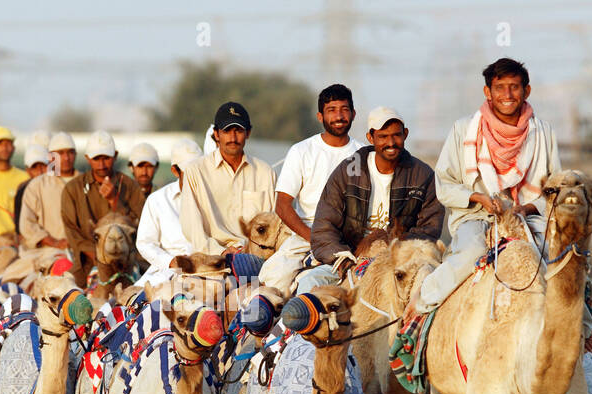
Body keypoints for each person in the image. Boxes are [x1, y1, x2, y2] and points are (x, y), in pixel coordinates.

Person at [410, 58, 592, 343]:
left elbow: (554, 188)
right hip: (476, 216)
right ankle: (419, 311)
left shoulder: (542, 132)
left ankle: (582, 333)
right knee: (470, 255)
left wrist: (527, 207)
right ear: (487, 92)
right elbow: (444, 183)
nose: (507, 95)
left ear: (527, 91)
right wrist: (479, 198)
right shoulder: (464, 130)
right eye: (500, 88)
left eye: (514, 87)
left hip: (527, 217)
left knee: (557, 260)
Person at [308, 107, 443, 289]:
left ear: (405, 134)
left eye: (396, 135)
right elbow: (324, 227)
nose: (391, 142)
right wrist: (344, 258)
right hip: (350, 260)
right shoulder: (348, 171)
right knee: (310, 282)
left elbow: (429, 230)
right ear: (371, 138)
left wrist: (393, 253)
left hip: (400, 264)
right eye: (383, 137)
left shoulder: (423, 175)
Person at [259, 83, 364, 291]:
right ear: (320, 116)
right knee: (273, 282)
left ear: (353, 114)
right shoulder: (302, 151)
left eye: (344, 110)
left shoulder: (363, 154)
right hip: (306, 234)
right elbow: (282, 205)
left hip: (350, 238)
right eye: (331, 110)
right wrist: (314, 238)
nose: (339, 116)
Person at [178, 102, 276, 255]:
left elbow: (273, 225)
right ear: (216, 134)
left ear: (248, 133)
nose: (233, 137)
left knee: (279, 277)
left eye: (238, 130)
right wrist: (221, 252)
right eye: (227, 130)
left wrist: (251, 252)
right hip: (211, 258)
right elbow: (192, 228)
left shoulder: (265, 173)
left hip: (255, 258)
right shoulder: (195, 171)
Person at [61, 130, 145, 275]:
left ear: (115, 156)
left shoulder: (130, 186)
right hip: (88, 261)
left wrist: (114, 200)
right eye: (96, 158)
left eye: (106, 158)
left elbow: (142, 226)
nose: (101, 164)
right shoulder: (73, 189)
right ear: (87, 158)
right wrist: (100, 258)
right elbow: (72, 232)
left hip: (127, 260)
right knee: (70, 291)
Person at [135, 139, 201, 285]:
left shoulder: (212, 199)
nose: (195, 177)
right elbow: (145, 243)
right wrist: (170, 261)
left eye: (198, 170)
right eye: (189, 172)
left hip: (206, 269)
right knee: (131, 303)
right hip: (165, 273)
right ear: (175, 171)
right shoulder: (157, 200)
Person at [19, 131, 80, 251]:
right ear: (51, 156)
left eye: (70, 152)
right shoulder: (37, 185)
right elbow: (27, 224)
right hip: (47, 252)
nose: (66, 158)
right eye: (60, 153)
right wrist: (54, 243)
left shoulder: (86, 183)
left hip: (84, 252)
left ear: (76, 154)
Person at [15, 143, 50, 227]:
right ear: (28, 170)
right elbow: (21, 228)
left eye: (43, 166)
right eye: (35, 167)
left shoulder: (59, 188)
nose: (40, 172)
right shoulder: (22, 190)